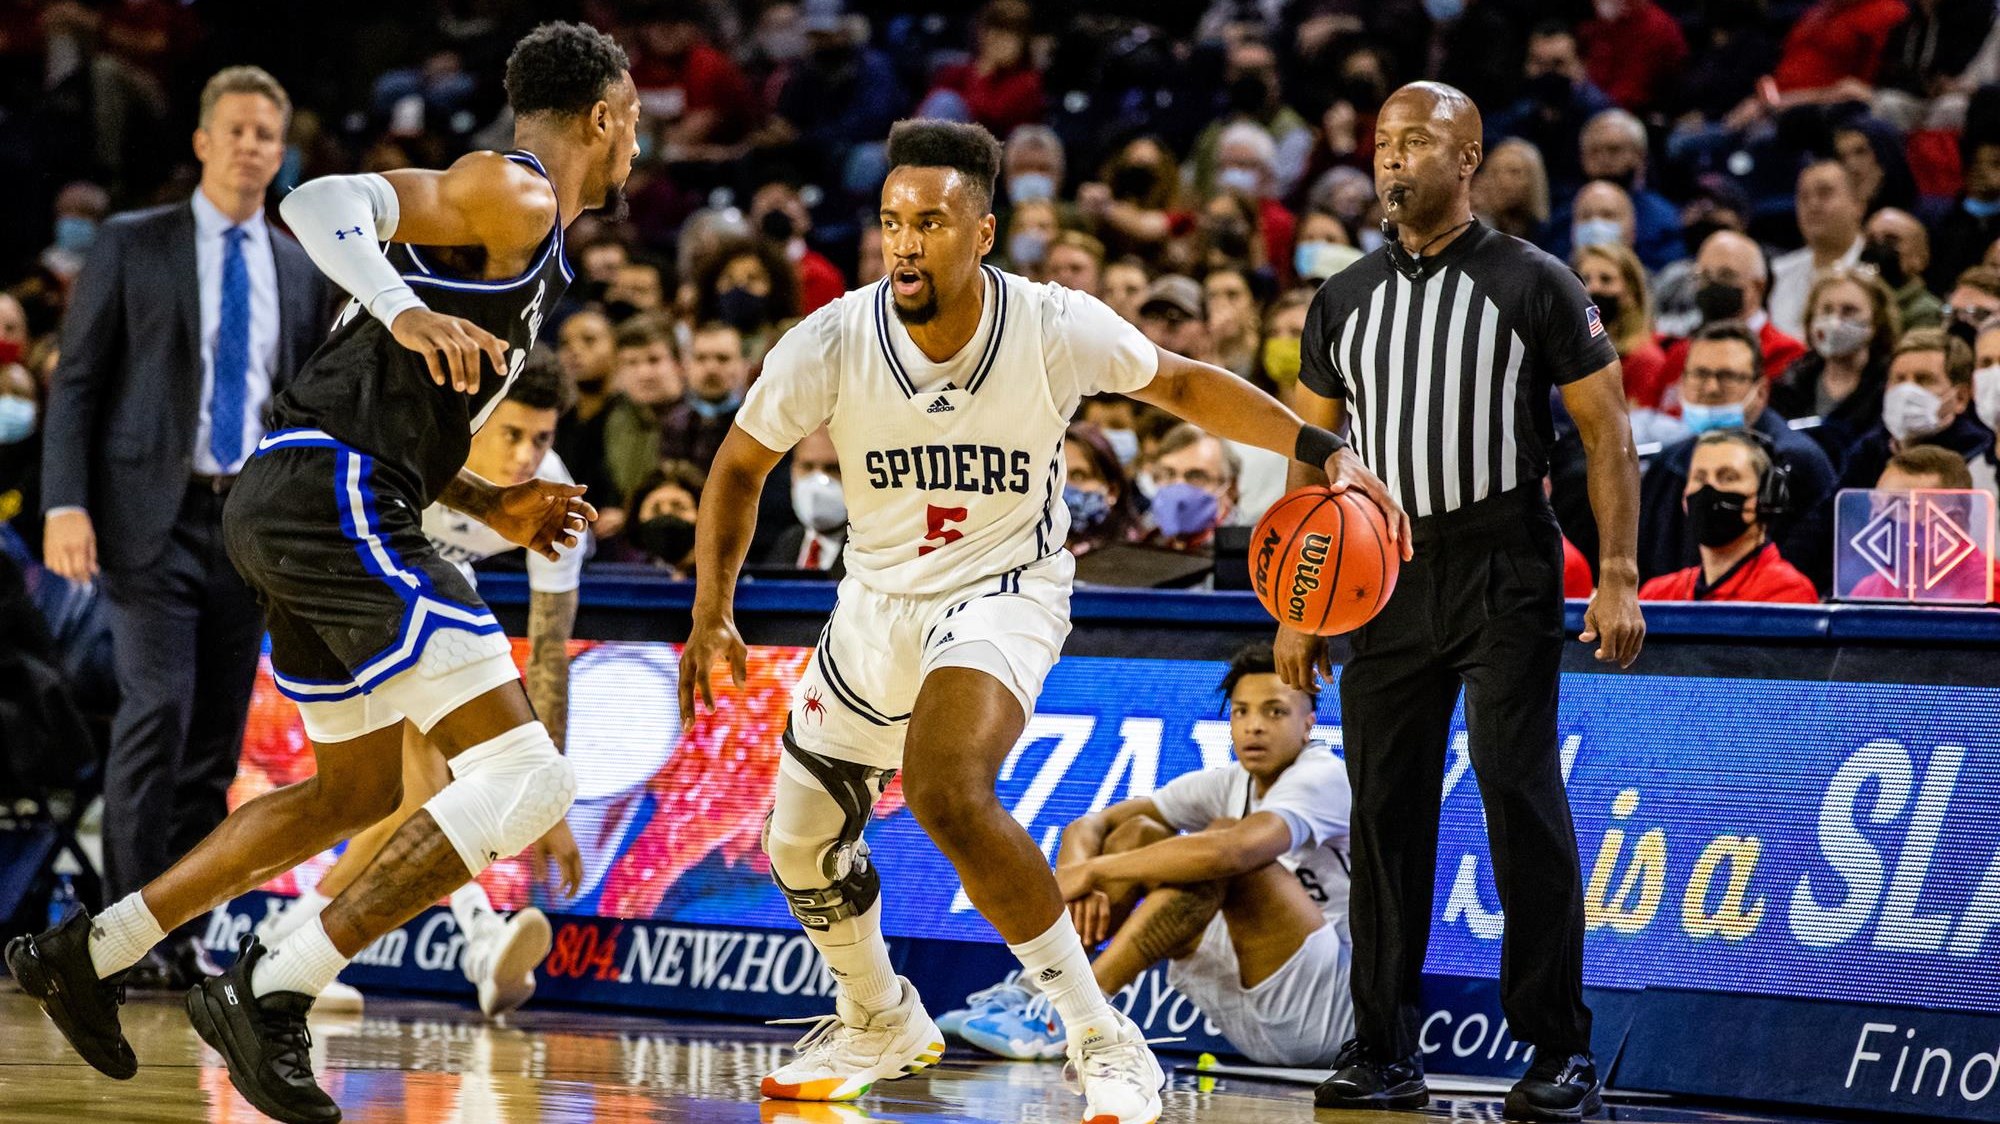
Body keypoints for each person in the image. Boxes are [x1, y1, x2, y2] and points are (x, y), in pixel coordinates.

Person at [677, 118, 1394, 1124]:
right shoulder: (833, 337)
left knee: (943, 786)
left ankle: (1098, 1031)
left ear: (983, 231)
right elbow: (738, 468)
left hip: (1003, 589)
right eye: (891, 221)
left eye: (930, 221)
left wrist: (1321, 446)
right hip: (874, 603)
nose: (905, 242)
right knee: (798, 845)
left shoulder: (1051, 321)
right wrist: (712, 611)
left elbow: (1184, 381)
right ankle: (879, 1012)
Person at [7, 24, 628, 1121]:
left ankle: (89, 950)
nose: (639, 150)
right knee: (530, 777)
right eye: (635, 127)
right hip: (332, 495)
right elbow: (318, 201)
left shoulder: (520, 234)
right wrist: (403, 303)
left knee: (350, 791)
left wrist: (492, 500)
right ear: (607, 118)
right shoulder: (512, 191)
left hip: (309, 493)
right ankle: (272, 988)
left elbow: (390, 404)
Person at [1285, 81, 1645, 1122]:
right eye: (1381, 142)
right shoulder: (1339, 295)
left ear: (1468, 156)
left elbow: (1605, 430)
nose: (1392, 160)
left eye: (1415, 142)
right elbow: (1309, 459)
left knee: (1515, 792)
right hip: (1382, 569)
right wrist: (1295, 601)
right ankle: (1382, 1045)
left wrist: (1614, 572)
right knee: (1382, 808)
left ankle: (1556, 1048)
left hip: (1503, 562)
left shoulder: (1531, 279)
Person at [36, 66, 332, 991]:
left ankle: (179, 931)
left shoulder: (296, 264)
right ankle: (121, 934)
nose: (251, 146)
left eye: (267, 135)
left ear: (281, 155)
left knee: (212, 740)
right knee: (155, 708)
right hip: (142, 518)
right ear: (203, 142)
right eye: (236, 130)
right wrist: (63, 502)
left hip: (248, 527)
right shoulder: (135, 242)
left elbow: (301, 404)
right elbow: (77, 382)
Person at [252, 356, 588, 1018]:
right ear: (482, 419)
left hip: (421, 600)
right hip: (334, 575)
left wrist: (548, 791)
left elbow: (549, 651)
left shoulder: (552, 494)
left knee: (414, 792)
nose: (527, 456)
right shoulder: (428, 455)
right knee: (424, 766)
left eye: (542, 440)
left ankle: (284, 944)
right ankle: (478, 939)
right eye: (512, 434)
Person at [949, 644, 1353, 1068]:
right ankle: (1039, 992)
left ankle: (1081, 1019)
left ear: (1309, 725)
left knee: (1219, 847)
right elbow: (1088, 827)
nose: (1254, 726)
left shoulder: (1323, 775)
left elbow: (1230, 852)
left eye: (1274, 712)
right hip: (1246, 1001)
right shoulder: (1228, 782)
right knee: (1138, 834)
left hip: (1327, 1009)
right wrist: (1081, 880)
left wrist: (1091, 870)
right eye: (1241, 712)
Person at [1639, 322, 1837, 581]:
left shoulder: (1795, 462)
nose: (1711, 388)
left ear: (1762, 390)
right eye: (1699, 374)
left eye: (1728, 376)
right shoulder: (1668, 464)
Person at [1638, 429, 1819, 604]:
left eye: (1728, 478)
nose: (1709, 489)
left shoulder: (1788, 593)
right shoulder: (1657, 594)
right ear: (1685, 498)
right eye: (1700, 478)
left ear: (1765, 498)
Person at [1650, 231, 1808, 410]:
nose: (1713, 284)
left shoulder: (1786, 353)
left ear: (1758, 286)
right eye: (1704, 276)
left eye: (1726, 276)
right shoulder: (1680, 353)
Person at [1769, 267, 1901, 470]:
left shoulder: (1890, 388)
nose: (1835, 322)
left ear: (1876, 320)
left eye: (1849, 310)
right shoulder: (1788, 385)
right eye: (1826, 310)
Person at [1768, 161, 1868, 341]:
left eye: (1825, 194)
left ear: (1858, 204)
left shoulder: (1878, 267)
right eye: (1804, 197)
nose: (1813, 205)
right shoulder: (1778, 273)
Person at [1573, 243, 1667, 430]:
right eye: (1585, 279)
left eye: (1606, 280)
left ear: (1631, 293)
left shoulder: (1644, 359)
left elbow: (1639, 428)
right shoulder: (1572, 351)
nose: (1593, 288)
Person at [602, 314, 685, 525]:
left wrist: (628, 519)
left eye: (654, 360)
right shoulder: (610, 419)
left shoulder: (703, 420)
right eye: (631, 362)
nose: (644, 373)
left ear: (678, 364)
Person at [660, 320, 750, 469]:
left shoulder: (758, 421)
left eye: (723, 358)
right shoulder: (671, 421)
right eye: (700, 358)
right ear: (686, 365)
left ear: (743, 366)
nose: (711, 368)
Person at [1142, 423, 1242, 552]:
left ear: (1231, 488)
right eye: (1169, 473)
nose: (1178, 486)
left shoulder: (1247, 555)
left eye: (1196, 476)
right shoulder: (1146, 538)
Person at [762, 425, 846, 574]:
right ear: (792, 470)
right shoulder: (788, 542)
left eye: (833, 468)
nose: (818, 482)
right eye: (807, 467)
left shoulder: (872, 553)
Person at [1060, 423, 1139, 556]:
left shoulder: (1137, 558)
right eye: (1054, 476)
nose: (1062, 487)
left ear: (1112, 490)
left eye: (1079, 475)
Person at [1862, 207, 1945, 331]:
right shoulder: (1849, 298)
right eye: (1871, 240)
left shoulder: (1927, 313)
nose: (1879, 247)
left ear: (1920, 256)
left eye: (1891, 240)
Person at [1472, 138, 1550, 243]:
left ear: (1534, 181)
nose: (1503, 182)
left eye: (1515, 172)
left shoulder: (1549, 235)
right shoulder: (1473, 228)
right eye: (1495, 173)